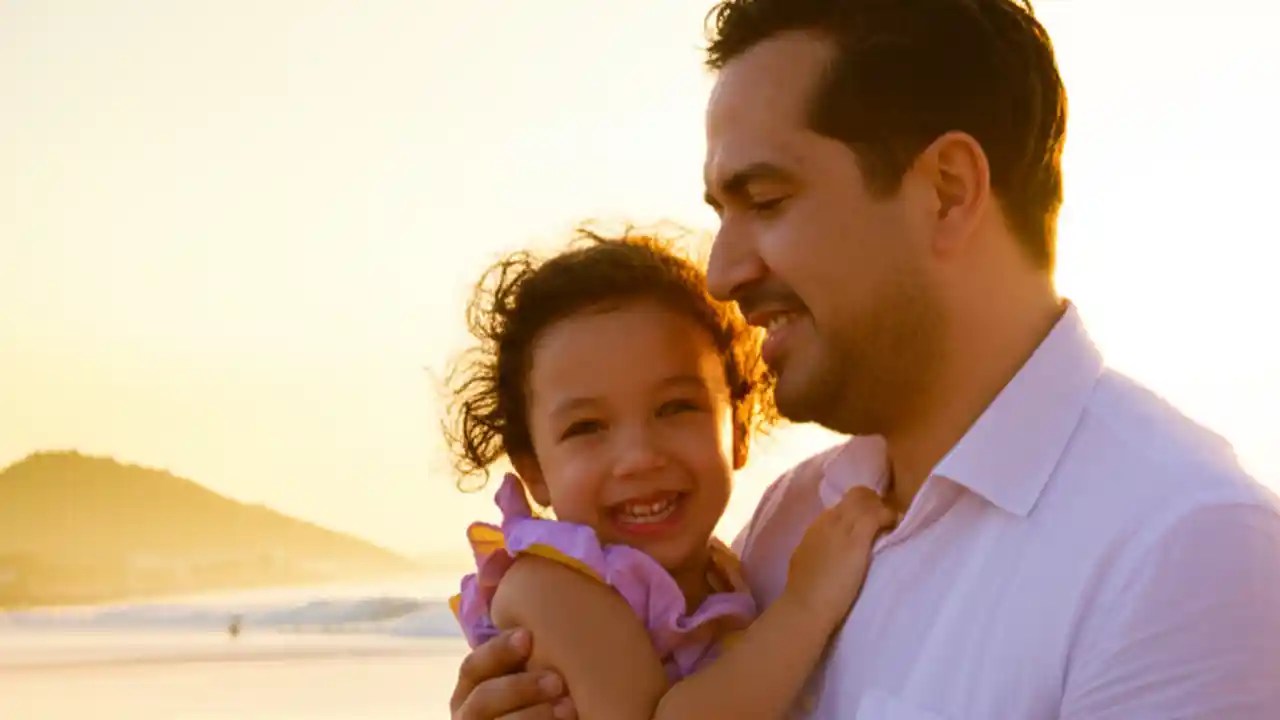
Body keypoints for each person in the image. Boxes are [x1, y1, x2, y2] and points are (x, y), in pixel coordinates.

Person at [451, 1, 1280, 718]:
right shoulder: (789, 519)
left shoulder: (1182, 547)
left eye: (766, 201)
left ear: (947, 191)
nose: (722, 272)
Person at [444, 230, 896, 719]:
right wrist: (805, 605)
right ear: (534, 471)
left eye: (675, 407)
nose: (639, 457)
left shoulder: (726, 571)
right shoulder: (550, 587)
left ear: (738, 429)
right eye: (587, 427)